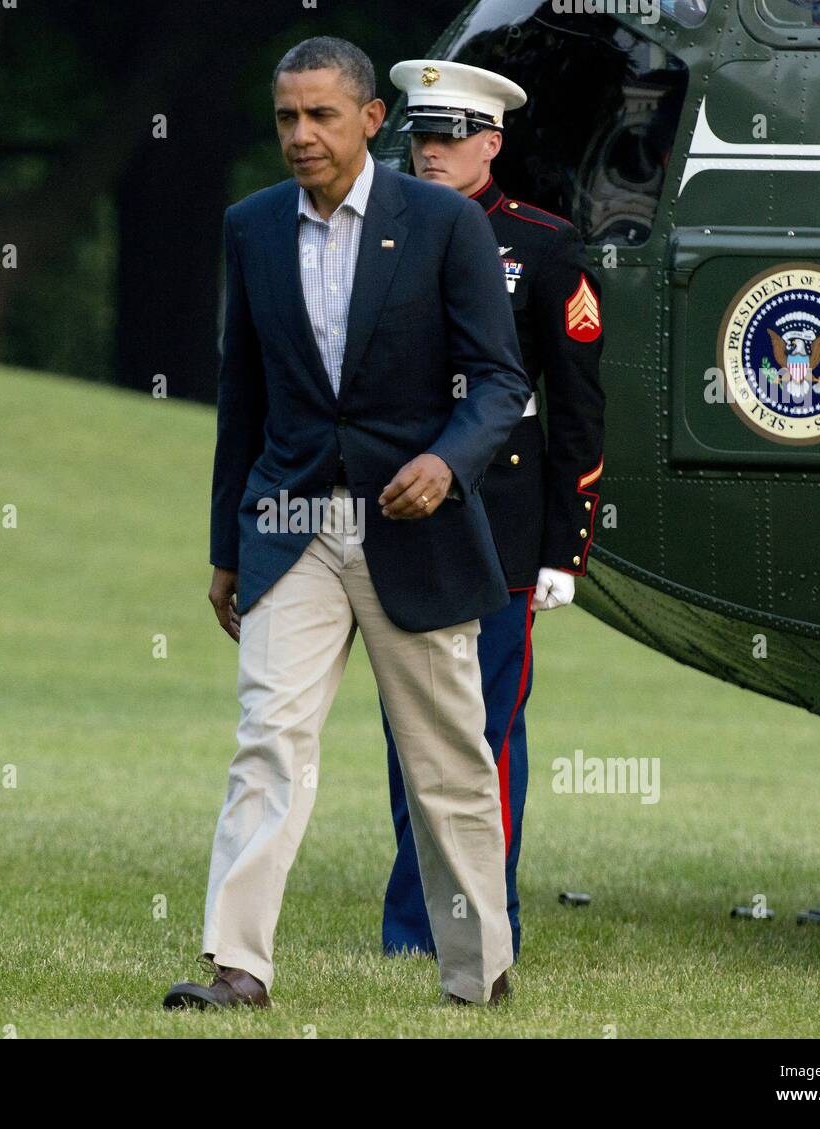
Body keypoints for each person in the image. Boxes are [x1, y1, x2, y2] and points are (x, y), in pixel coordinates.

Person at [162, 36, 528, 1010]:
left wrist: (446, 463)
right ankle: (237, 967)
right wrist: (224, 548)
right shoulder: (250, 227)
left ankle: (475, 970)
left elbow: (500, 381)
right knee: (266, 743)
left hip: (417, 527)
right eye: (286, 116)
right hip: (288, 528)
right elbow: (241, 396)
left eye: (321, 115)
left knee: (447, 761)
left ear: (373, 120)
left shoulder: (445, 224)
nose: (300, 135)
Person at [378, 59, 605, 960]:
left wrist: (566, 548)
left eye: (448, 136)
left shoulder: (545, 247)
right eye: (420, 135)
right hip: (398, 510)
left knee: (486, 729)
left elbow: (578, 408)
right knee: (409, 730)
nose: (429, 151)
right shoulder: (380, 234)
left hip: (502, 519)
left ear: (490, 143)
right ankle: (410, 930)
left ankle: (480, 917)